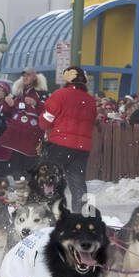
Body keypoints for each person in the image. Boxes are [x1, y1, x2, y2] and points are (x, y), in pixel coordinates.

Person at [38, 66, 97, 212]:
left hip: (60, 144)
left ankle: (47, 209)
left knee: (48, 177)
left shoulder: (60, 95)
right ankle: (81, 215)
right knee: (77, 184)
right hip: (82, 148)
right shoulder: (90, 101)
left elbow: (45, 122)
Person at [1, 68, 46, 170]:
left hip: (31, 137)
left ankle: (24, 182)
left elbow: (47, 111)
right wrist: (8, 104)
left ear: (34, 77)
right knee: (16, 165)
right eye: (24, 76)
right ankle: (19, 182)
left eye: (28, 75)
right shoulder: (19, 93)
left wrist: (36, 104)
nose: (25, 78)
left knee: (28, 166)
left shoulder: (41, 94)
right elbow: (7, 113)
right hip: (17, 136)